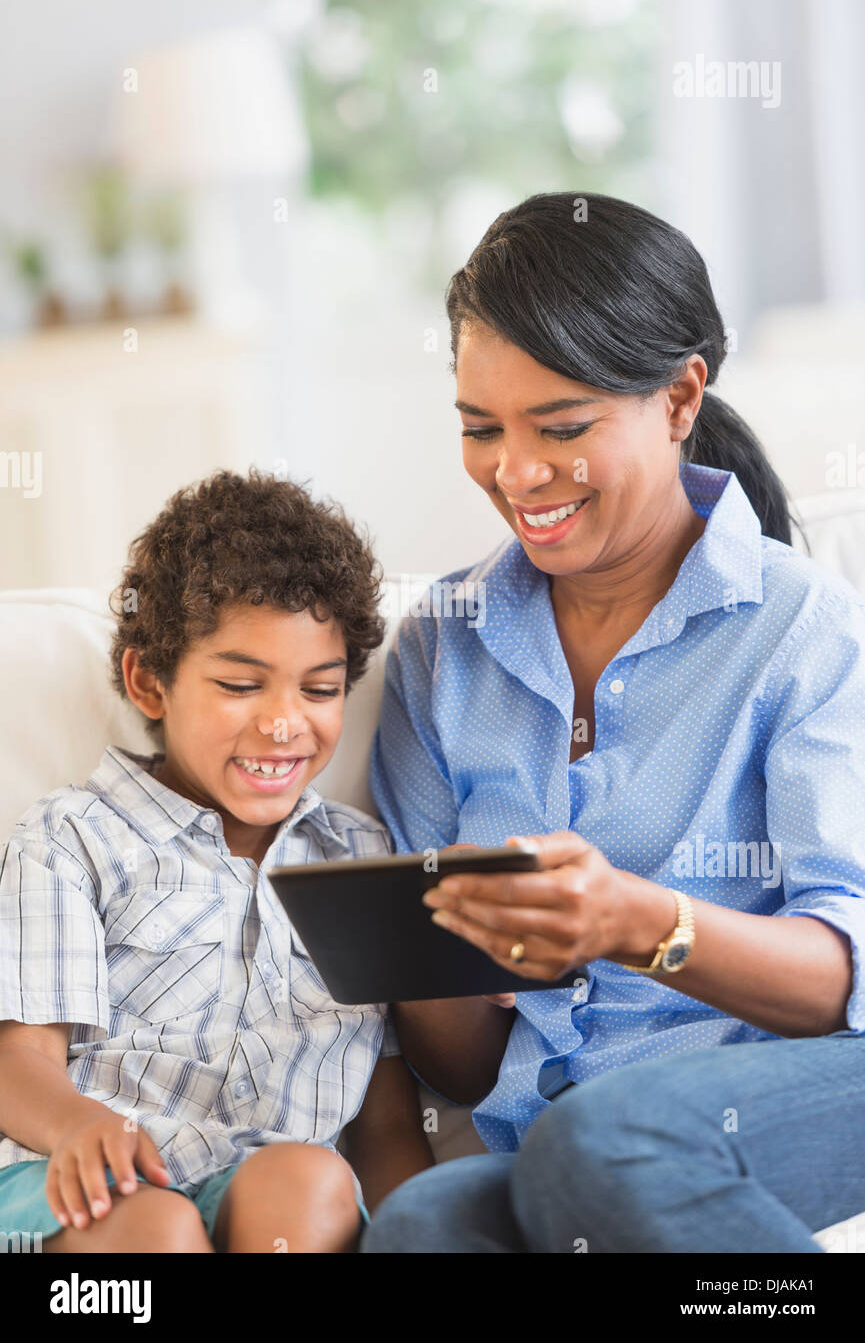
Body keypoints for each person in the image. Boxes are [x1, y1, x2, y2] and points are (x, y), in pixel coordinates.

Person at [362, 192, 865, 1253]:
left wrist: (634, 922)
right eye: (479, 428)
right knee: (422, 1227)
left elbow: (838, 979)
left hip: (811, 1075)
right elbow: (457, 1069)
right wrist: (460, 957)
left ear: (680, 396)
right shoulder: (439, 650)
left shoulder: (804, 626)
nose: (516, 472)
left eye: (562, 426)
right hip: (559, 1133)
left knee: (601, 1137)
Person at [0, 469, 432, 1253]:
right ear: (149, 682)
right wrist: (81, 1127)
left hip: (268, 1181)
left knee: (308, 1180)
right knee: (156, 1225)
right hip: (74, 1176)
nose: (282, 723)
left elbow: (386, 1116)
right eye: (239, 684)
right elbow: (21, 1057)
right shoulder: (74, 837)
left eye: (320, 689)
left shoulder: (360, 862)